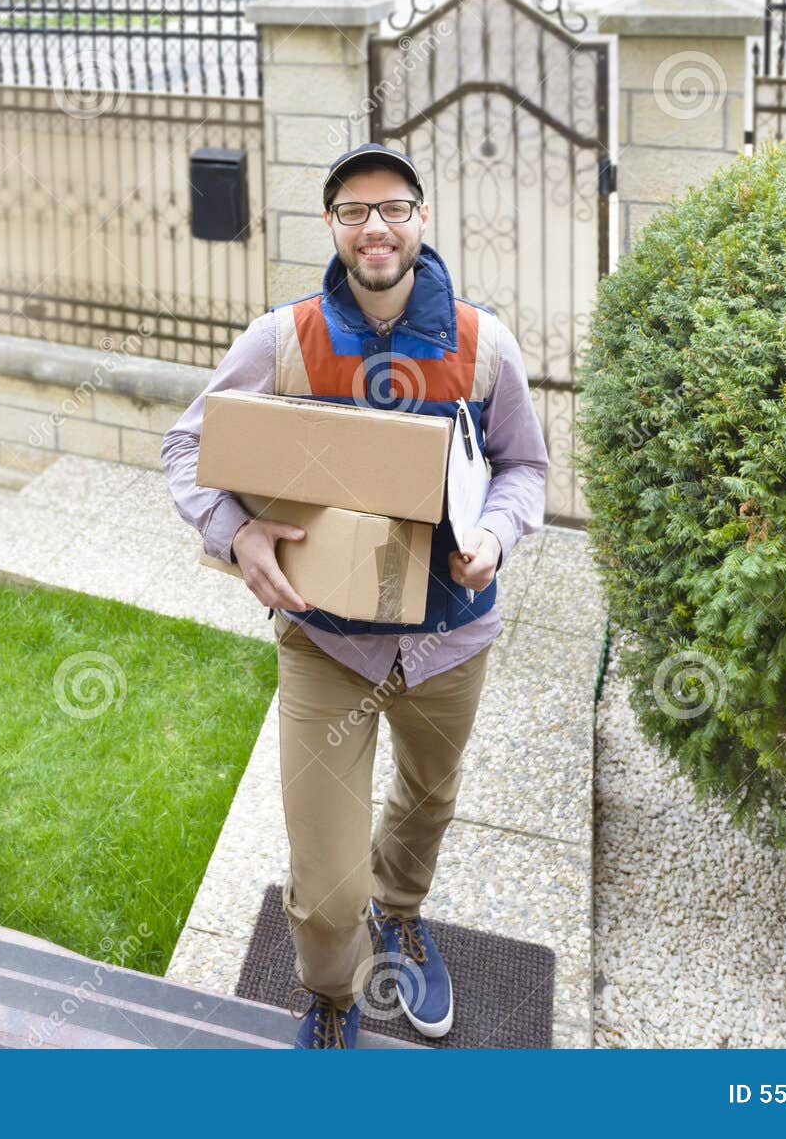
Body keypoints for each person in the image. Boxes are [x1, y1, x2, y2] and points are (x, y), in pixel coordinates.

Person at [161, 142, 548, 1048]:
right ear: (333, 227)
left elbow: (525, 467)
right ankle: (329, 996)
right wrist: (235, 531)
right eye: (354, 210)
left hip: (451, 641)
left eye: (394, 207)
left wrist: (495, 534)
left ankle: (402, 914)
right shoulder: (284, 338)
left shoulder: (483, 342)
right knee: (327, 881)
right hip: (327, 646)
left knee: (427, 800)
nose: (376, 225)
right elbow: (188, 447)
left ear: (421, 220)